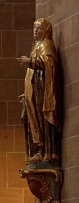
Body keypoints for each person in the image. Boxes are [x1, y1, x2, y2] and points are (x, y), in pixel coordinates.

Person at [18, 18, 61, 163]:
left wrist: (29, 61)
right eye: (34, 28)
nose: (36, 31)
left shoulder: (46, 44)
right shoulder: (36, 46)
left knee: (42, 118)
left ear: (46, 30)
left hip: (43, 90)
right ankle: (38, 150)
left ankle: (46, 152)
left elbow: (49, 63)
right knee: (28, 118)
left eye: (39, 28)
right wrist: (29, 92)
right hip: (36, 90)